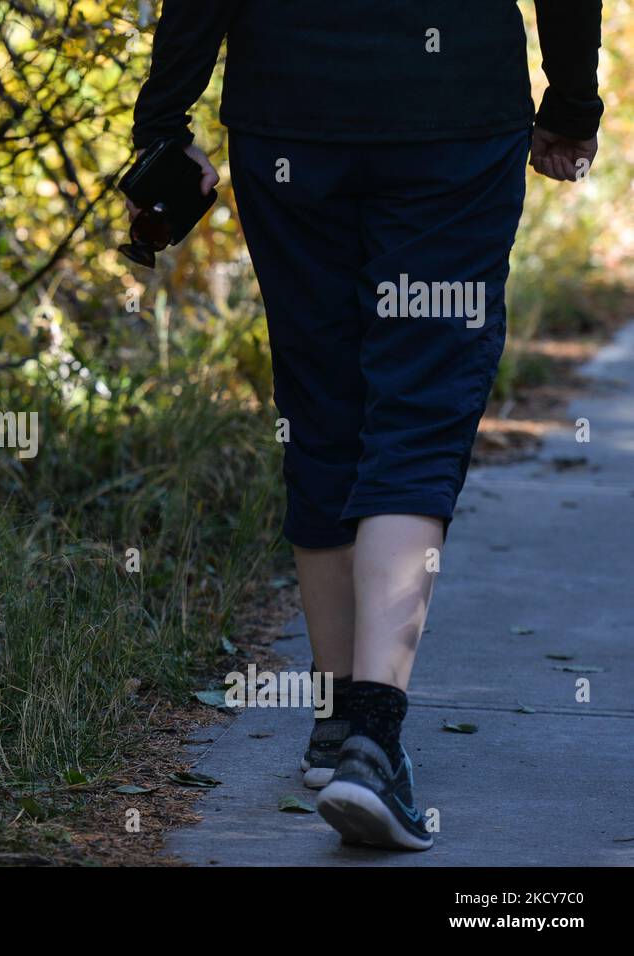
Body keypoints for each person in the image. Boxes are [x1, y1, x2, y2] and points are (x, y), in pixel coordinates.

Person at [131, 1, 602, 851]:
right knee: (418, 410)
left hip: (290, 118)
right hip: (451, 119)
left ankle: (335, 719)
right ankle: (372, 741)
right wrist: (571, 104)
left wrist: (163, 120)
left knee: (318, 401)